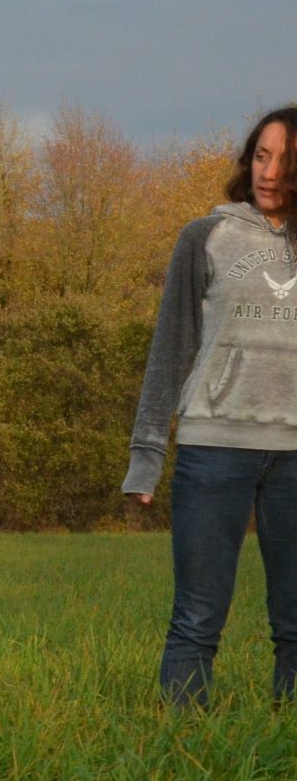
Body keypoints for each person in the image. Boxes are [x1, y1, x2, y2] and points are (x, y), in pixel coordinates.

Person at [127, 105, 297, 707]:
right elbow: (170, 348)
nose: (270, 171)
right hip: (214, 447)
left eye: (286, 159)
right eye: (261, 155)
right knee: (196, 620)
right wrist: (147, 455)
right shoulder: (207, 236)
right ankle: (182, 755)